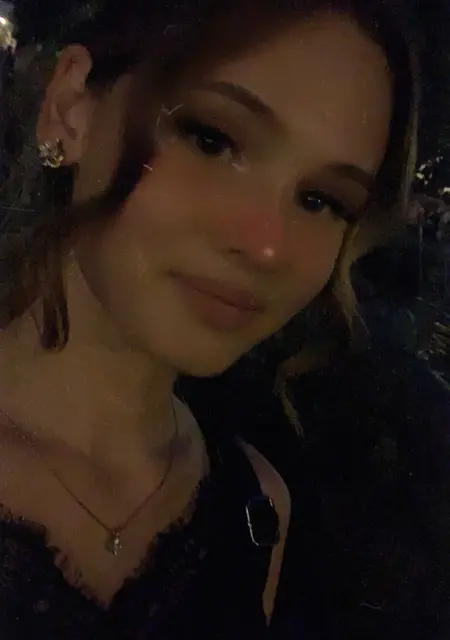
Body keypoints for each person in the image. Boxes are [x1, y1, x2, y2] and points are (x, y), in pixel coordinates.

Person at [0, 0, 418, 637]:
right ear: (71, 109)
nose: (268, 246)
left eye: (321, 200)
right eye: (212, 139)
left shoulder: (257, 510)